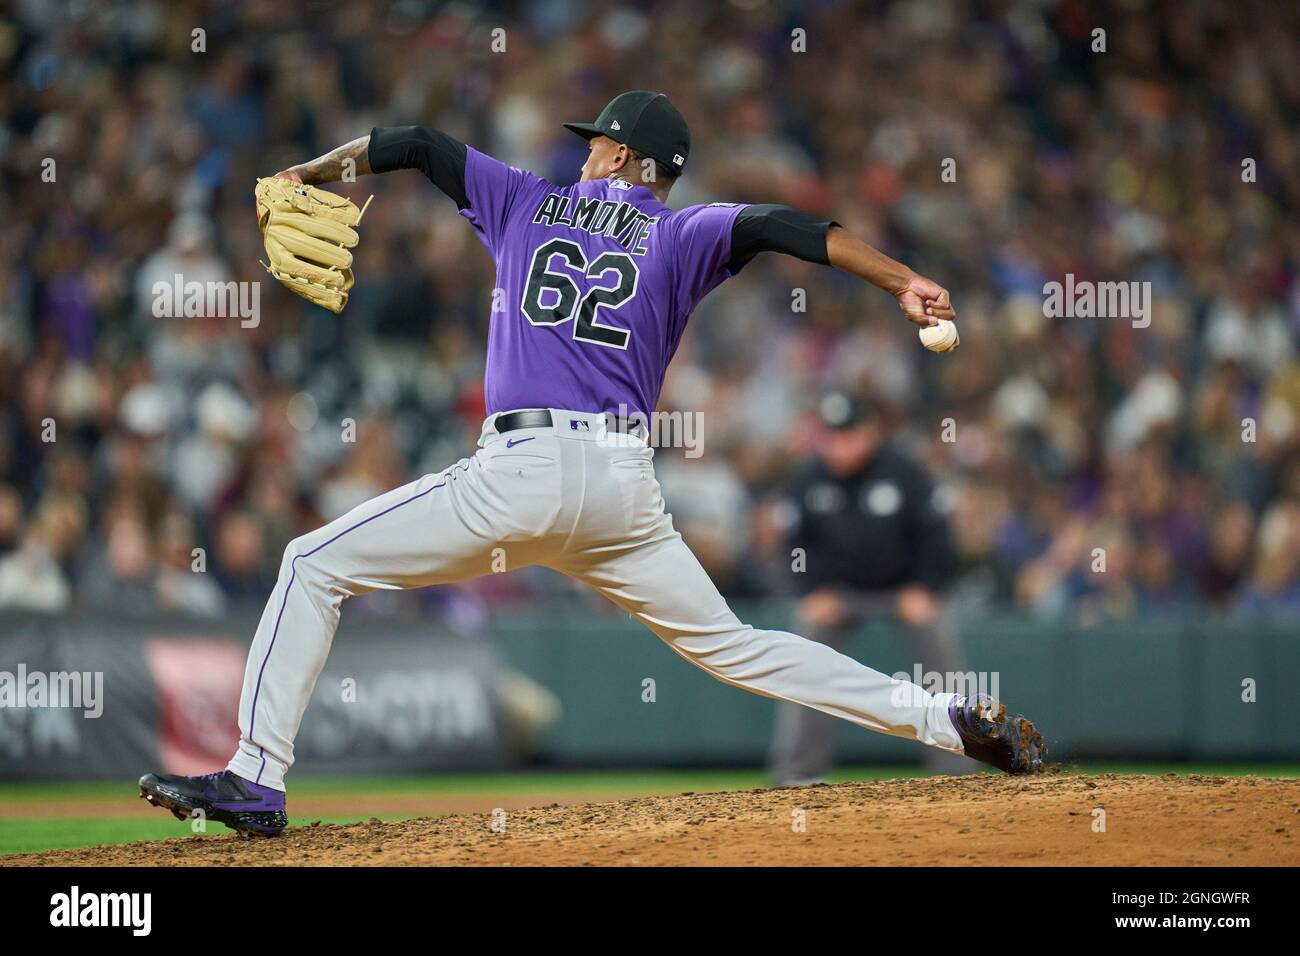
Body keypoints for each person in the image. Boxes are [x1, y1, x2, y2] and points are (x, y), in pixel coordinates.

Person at [139, 91, 1045, 837]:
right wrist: (903, 282)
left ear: (622, 158)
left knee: (310, 563)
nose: (584, 154)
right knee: (735, 648)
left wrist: (309, 173)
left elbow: (410, 142)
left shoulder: (523, 201)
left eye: (597, 143)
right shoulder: (685, 234)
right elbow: (789, 228)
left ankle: (256, 780)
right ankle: (945, 720)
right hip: (622, 491)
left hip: (520, 471)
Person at [768, 391, 970, 784]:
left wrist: (926, 587)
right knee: (803, 653)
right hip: (838, 594)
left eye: (849, 433)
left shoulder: (905, 473)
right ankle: (798, 772)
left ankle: (958, 768)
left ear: (870, 431)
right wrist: (810, 590)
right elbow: (793, 545)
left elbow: (937, 536)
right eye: (831, 434)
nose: (840, 444)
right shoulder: (807, 479)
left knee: (940, 647)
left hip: (904, 591)